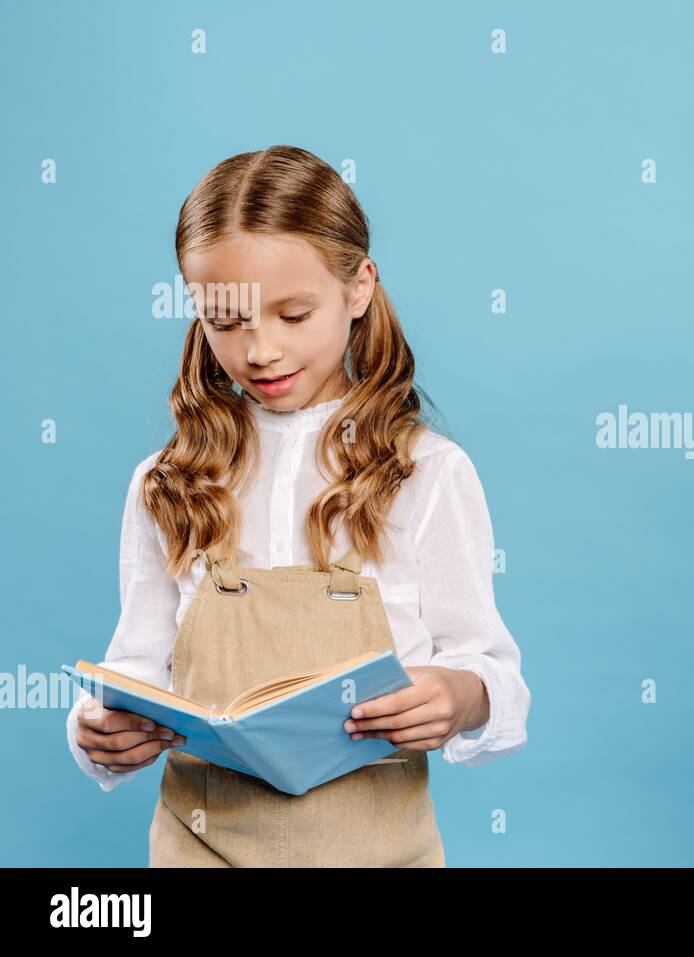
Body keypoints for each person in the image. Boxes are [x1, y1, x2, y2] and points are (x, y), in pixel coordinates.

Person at [68, 145, 530, 867]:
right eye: (225, 320)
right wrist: (99, 730)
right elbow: (136, 670)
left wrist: (457, 693)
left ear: (358, 288)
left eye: (292, 314)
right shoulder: (168, 480)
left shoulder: (428, 473)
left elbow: (490, 669)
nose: (260, 350)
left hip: (379, 849)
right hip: (198, 844)